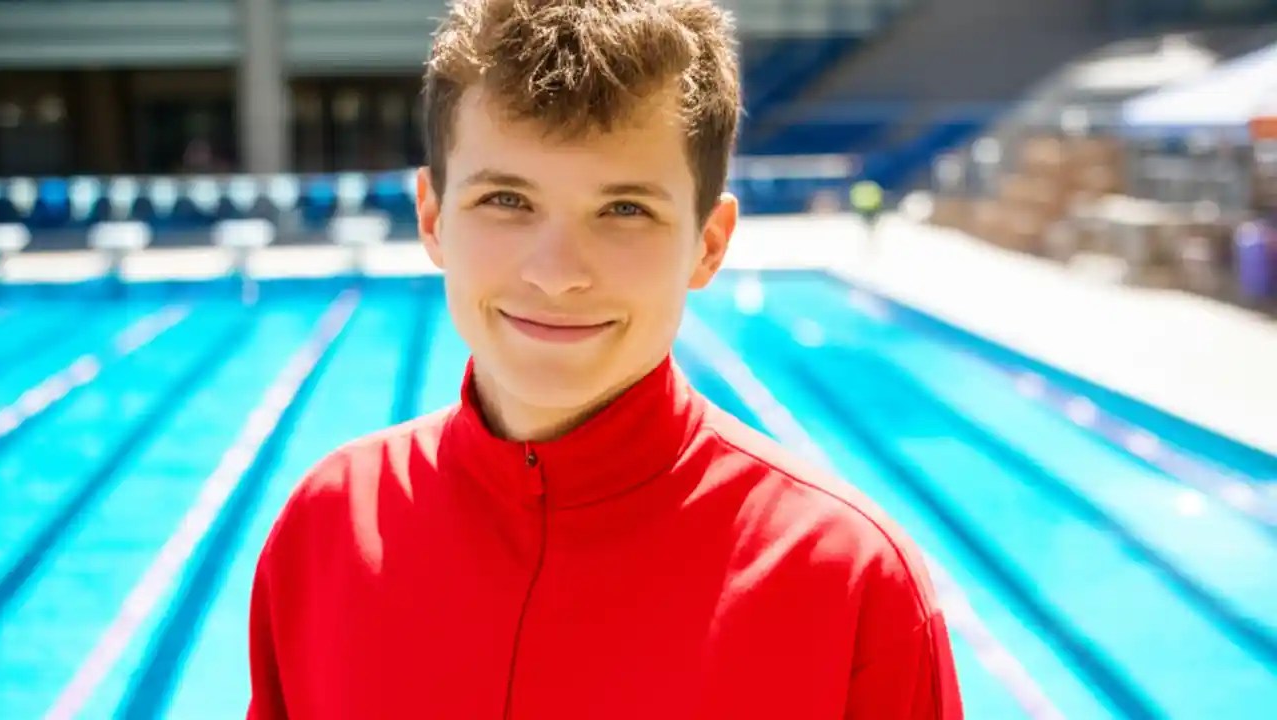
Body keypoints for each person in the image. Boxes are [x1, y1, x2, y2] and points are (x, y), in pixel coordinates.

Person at [246, 1, 963, 718]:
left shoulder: (849, 585)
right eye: (506, 199)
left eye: (624, 210)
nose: (557, 273)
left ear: (709, 244)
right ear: (433, 218)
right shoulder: (326, 533)